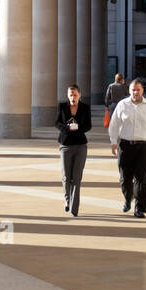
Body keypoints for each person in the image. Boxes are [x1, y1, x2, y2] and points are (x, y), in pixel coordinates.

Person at [108, 78, 146, 218]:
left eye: (138, 90)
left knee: (141, 179)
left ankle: (139, 209)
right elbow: (114, 124)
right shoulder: (122, 105)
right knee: (124, 178)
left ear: (142, 91)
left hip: (144, 147)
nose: (135, 92)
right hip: (125, 146)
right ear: (129, 91)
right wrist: (113, 141)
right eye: (133, 89)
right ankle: (128, 198)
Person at [55, 83, 92, 217]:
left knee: (77, 178)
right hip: (65, 145)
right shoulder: (62, 106)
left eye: (75, 95)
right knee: (66, 176)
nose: (73, 97)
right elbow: (57, 123)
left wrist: (78, 128)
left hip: (80, 145)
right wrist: (67, 128)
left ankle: (74, 208)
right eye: (71, 95)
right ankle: (67, 199)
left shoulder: (85, 108)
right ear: (67, 95)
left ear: (79, 95)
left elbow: (88, 125)